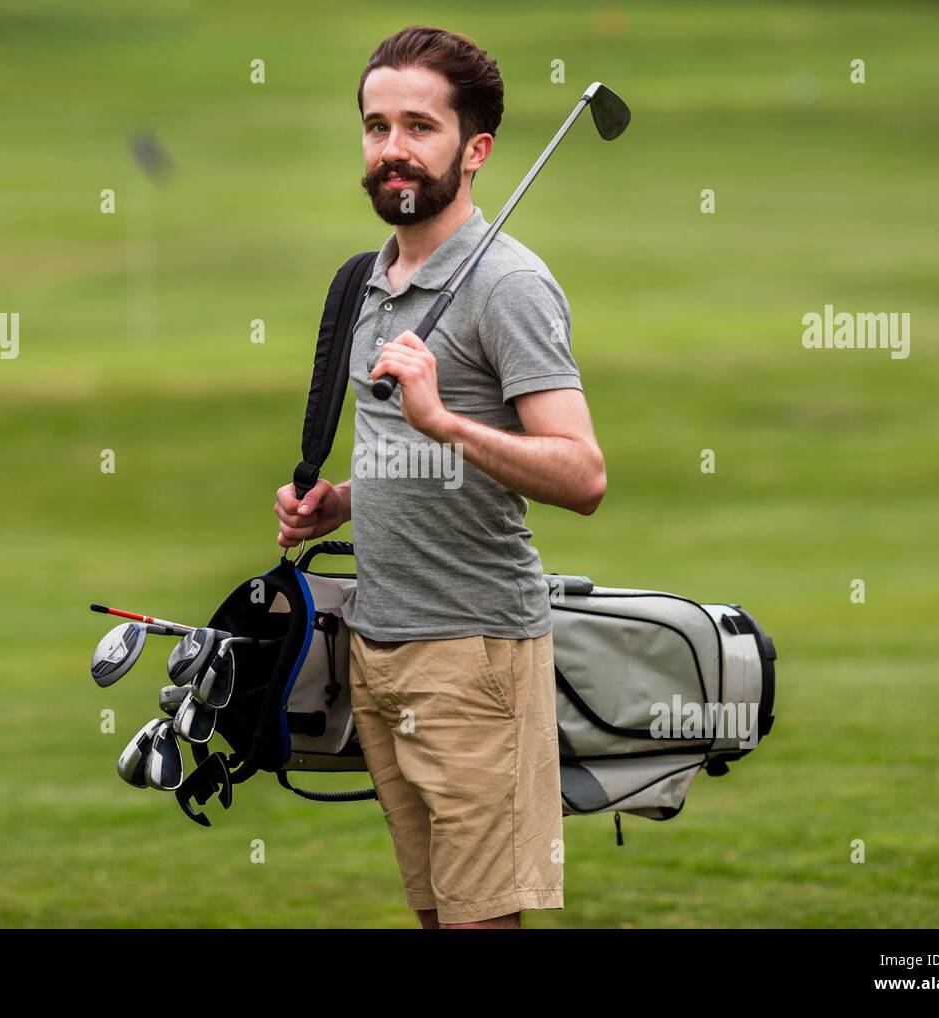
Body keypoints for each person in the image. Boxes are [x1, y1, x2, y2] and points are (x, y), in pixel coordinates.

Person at [273, 25, 606, 929]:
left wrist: (445, 420)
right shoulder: (364, 282)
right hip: (376, 650)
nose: (392, 150)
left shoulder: (510, 286)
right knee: (436, 916)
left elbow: (581, 474)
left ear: (476, 149)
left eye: (419, 126)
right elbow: (403, 447)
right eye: (377, 127)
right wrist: (339, 499)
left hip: (475, 657)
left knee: (480, 922)